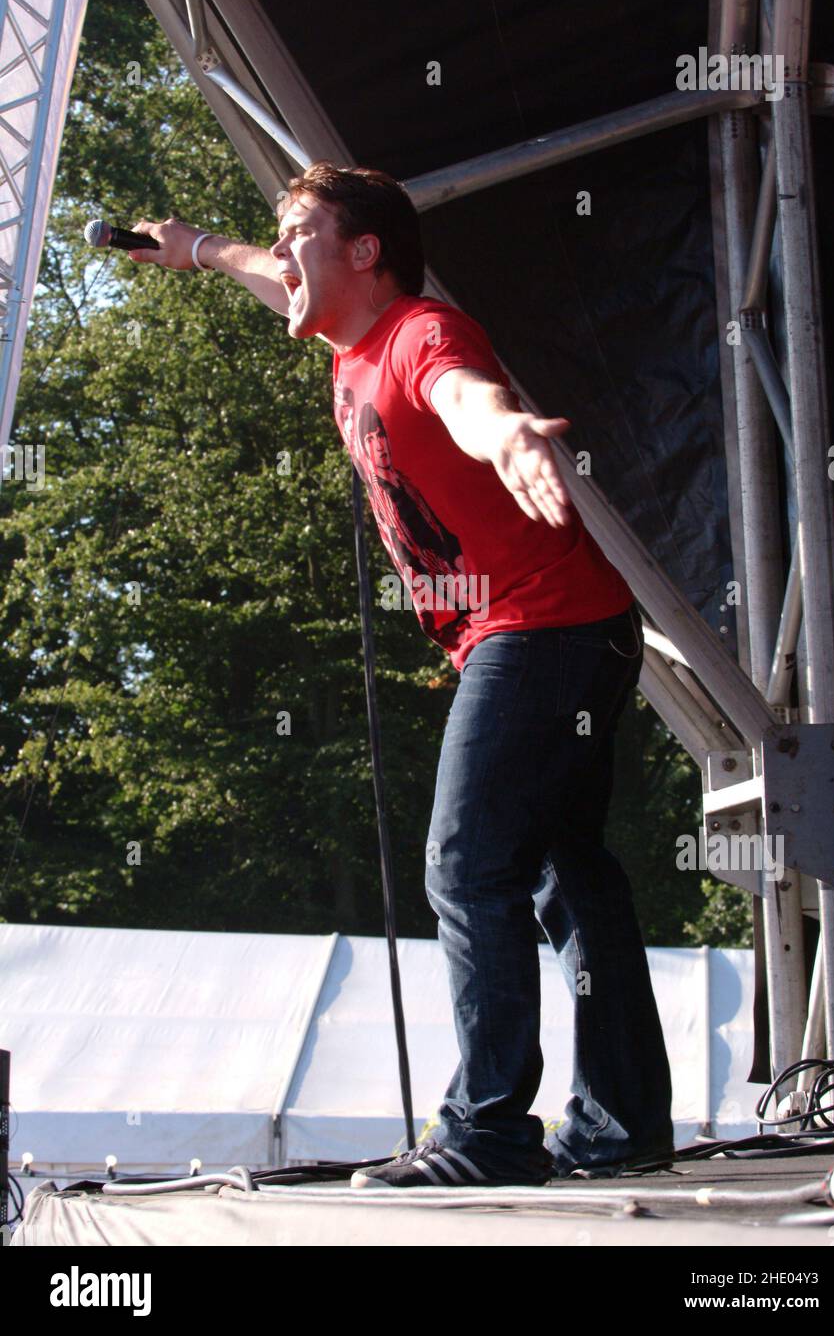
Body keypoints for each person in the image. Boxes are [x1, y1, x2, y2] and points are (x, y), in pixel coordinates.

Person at [129, 162, 674, 1188]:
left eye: (300, 237)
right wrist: (196, 248)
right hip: (569, 631)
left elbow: (465, 395)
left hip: (539, 628)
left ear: (366, 253)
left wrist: (504, 430)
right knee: (571, 877)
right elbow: (265, 268)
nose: (279, 254)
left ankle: (488, 1132)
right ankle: (624, 1118)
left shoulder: (418, 334)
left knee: (466, 866)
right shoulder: (348, 335)